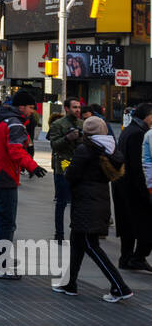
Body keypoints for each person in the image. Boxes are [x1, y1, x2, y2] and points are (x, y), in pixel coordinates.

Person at [58, 117, 131, 301]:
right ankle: (70, 283)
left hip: (86, 202)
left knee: (91, 245)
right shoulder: (109, 147)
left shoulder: (86, 149)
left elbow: (72, 175)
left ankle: (120, 286)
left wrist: (66, 166)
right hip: (99, 200)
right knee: (77, 242)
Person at [0, 89, 48, 279]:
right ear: (22, 107)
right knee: (7, 223)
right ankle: (1, 267)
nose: (33, 111)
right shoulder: (15, 123)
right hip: (4, 177)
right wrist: (33, 167)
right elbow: (16, 151)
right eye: (31, 107)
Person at [112, 100, 152, 273]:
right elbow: (137, 166)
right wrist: (144, 191)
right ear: (146, 116)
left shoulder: (130, 130)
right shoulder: (138, 133)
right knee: (145, 226)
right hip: (134, 188)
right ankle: (137, 258)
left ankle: (127, 258)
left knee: (128, 224)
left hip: (123, 186)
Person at [47, 98, 82, 244]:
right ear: (67, 108)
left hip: (78, 166)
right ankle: (59, 233)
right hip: (63, 166)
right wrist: (68, 138)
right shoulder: (57, 124)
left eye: (79, 107)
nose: (78, 110)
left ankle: (77, 233)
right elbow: (54, 145)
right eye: (75, 107)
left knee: (78, 202)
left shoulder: (82, 124)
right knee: (61, 202)